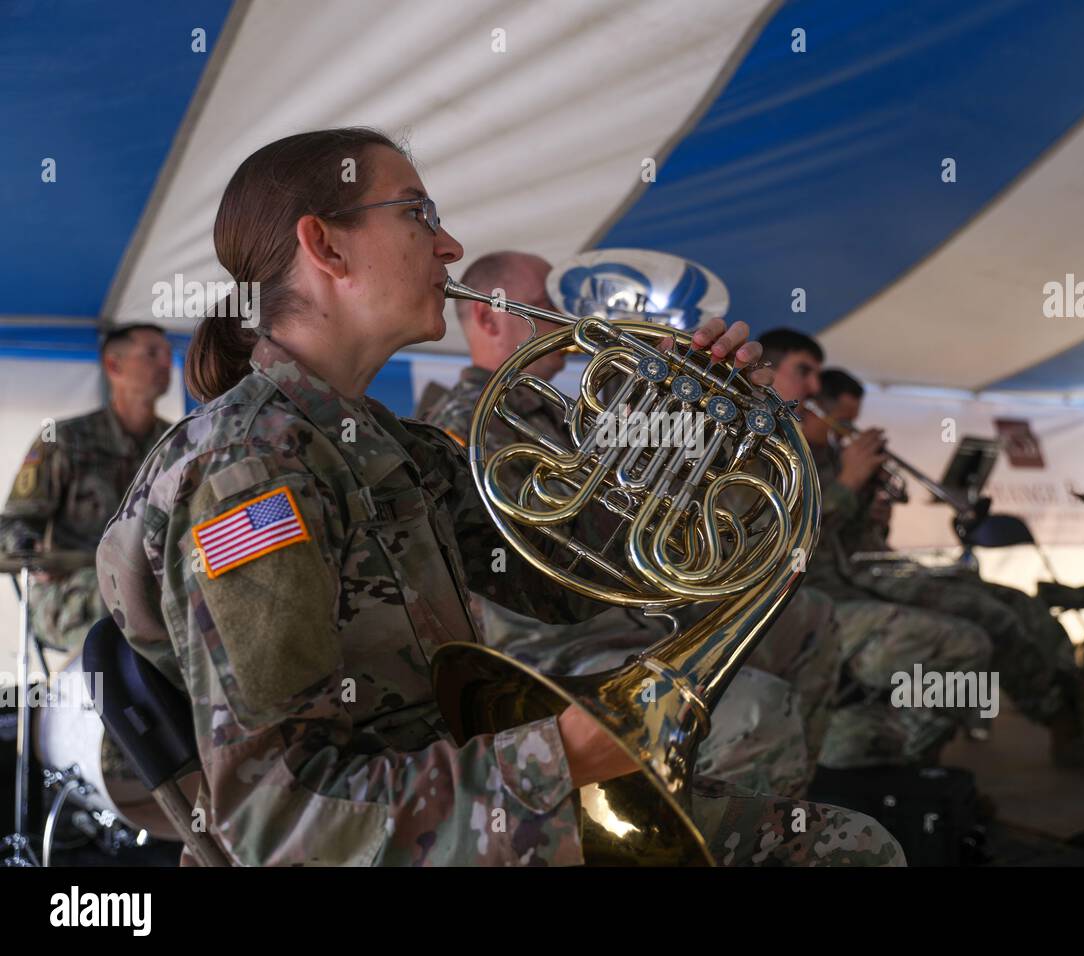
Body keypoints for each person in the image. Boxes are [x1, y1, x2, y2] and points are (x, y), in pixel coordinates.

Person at [96, 128, 902, 867]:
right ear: (324, 245)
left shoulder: (381, 444)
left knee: (847, 846)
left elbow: (573, 577)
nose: (448, 245)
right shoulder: (249, 472)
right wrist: (566, 753)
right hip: (423, 829)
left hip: (464, 796)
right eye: (419, 213)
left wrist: (710, 436)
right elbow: (280, 823)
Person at [419, 250, 840, 798]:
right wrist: (646, 426)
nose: (570, 314)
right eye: (547, 304)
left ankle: (757, 794)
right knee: (762, 708)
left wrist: (713, 420)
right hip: (556, 644)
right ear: (488, 315)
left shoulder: (566, 410)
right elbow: (556, 570)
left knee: (810, 617)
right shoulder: (468, 425)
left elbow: (657, 516)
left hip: (626, 618)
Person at [760, 332, 1084, 771]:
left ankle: (1080, 710)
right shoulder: (764, 449)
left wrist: (869, 504)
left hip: (864, 576)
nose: (815, 388)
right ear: (768, 370)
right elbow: (781, 543)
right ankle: (1058, 722)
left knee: (1015, 602)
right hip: (811, 598)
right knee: (983, 624)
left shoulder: (825, 455)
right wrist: (849, 486)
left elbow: (855, 540)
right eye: (804, 372)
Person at [1, 324, 172, 654]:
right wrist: (32, 550)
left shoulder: (175, 443)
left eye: (167, 354)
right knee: (130, 594)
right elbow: (11, 522)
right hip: (73, 592)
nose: (166, 362)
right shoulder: (64, 440)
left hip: (156, 587)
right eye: (152, 354)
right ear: (114, 366)